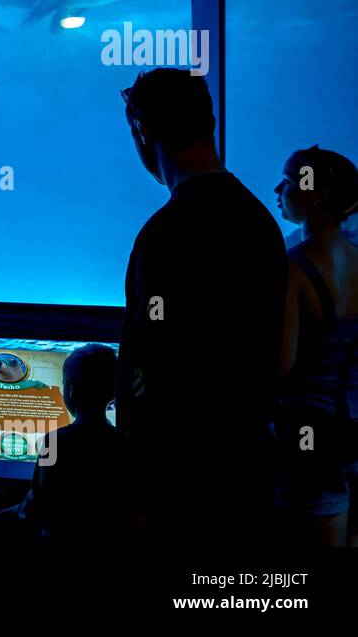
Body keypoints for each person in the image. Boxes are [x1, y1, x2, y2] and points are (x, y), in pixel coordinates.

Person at [116, 69, 286, 545]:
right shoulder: (260, 224)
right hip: (247, 463)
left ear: (141, 131)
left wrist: (137, 483)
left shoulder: (165, 234)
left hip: (178, 476)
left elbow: (144, 363)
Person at [274, 146, 358, 546]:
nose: (279, 189)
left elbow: (282, 367)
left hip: (308, 434)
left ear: (318, 194)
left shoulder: (294, 268)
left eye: (289, 182)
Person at [13, 344, 124, 543]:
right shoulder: (122, 442)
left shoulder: (55, 441)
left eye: (64, 383)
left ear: (70, 388)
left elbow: (35, 507)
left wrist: (3, 515)